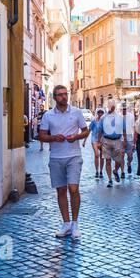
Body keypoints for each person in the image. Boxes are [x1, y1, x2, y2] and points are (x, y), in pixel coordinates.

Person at [37, 84, 90, 238]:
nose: (63, 97)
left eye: (65, 94)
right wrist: (53, 137)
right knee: (61, 190)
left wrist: (76, 137)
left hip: (74, 156)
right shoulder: (48, 115)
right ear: (54, 97)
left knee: (73, 189)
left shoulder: (76, 112)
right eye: (60, 95)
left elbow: (85, 131)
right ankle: (66, 223)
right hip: (55, 158)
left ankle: (75, 223)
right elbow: (41, 136)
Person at [99, 100, 126, 186]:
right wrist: (98, 141)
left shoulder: (120, 117)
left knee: (119, 160)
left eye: (112, 106)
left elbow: (124, 129)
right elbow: (100, 130)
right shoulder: (103, 117)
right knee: (108, 160)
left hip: (117, 140)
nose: (111, 107)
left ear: (114, 107)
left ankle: (115, 171)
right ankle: (110, 180)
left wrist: (124, 140)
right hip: (106, 140)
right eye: (110, 105)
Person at [88, 107, 105, 179]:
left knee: (102, 156)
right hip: (94, 139)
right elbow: (89, 130)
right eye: (99, 112)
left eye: (102, 112)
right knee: (96, 155)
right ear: (97, 113)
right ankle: (96, 171)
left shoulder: (105, 121)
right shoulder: (94, 121)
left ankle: (101, 171)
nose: (100, 114)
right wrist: (84, 140)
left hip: (102, 140)